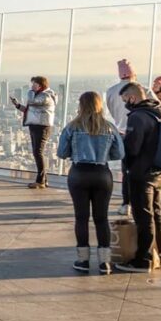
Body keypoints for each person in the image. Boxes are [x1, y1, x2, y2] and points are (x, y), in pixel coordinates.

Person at [57, 92, 124, 274]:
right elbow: (119, 154)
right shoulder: (109, 127)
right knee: (101, 219)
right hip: (102, 174)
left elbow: (62, 153)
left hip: (79, 173)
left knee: (81, 218)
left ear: (81, 106)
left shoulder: (72, 127)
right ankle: (104, 263)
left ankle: (83, 260)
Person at [114, 83, 161, 273]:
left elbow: (132, 149)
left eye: (125, 101)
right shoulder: (159, 112)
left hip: (141, 174)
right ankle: (158, 254)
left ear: (132, 98)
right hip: (159, 172)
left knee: (143, 216)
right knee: (156, 213)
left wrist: (122, 141)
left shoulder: (137, 117)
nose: (125, 105)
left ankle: (142, 259)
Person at [105, 59, 139, 216]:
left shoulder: (111, 91)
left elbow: (112, 111)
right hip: (143, 135)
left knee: (127, 170)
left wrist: (120, 122)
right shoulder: (142, 89)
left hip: (123, 134)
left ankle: (127, 203)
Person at [11, 76, 57, 189]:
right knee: (37, 152)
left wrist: (30, 92)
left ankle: (40, 181)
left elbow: (32, 102)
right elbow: (30, 109)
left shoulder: (46, 96)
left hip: (42, 127)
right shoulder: (39, 96)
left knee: (38, 152)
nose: (32, 87)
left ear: (40, 85)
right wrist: (17, 105)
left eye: (34, 84)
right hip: (35, 125)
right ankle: (43, 180)